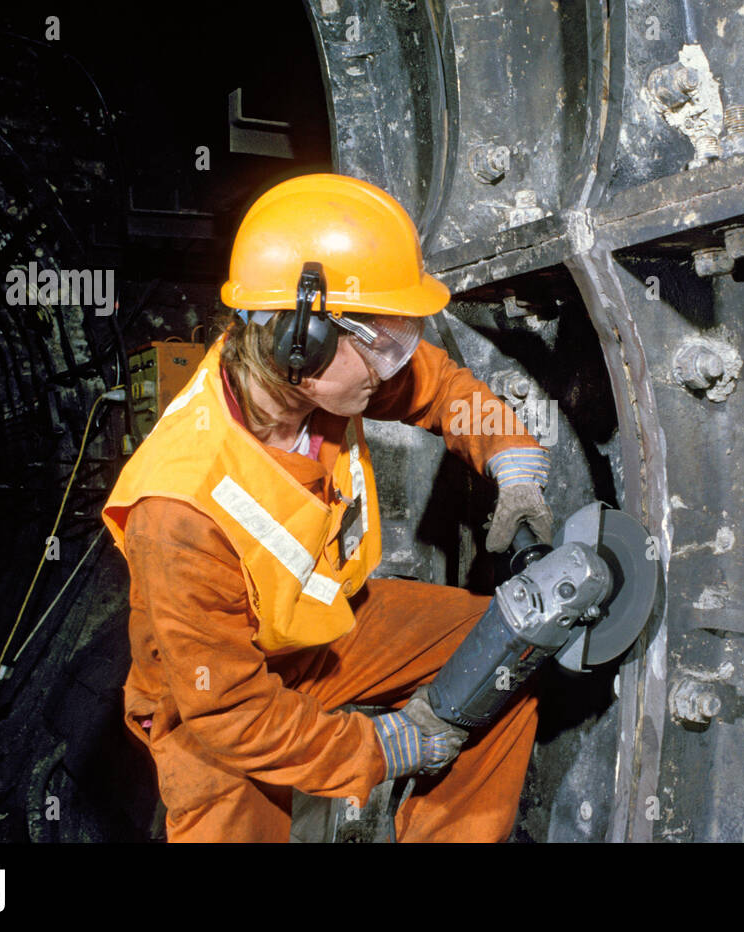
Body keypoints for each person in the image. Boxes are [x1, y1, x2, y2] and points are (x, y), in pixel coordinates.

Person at [101, 173, 555, 842]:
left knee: (501, 656)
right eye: (383, 344)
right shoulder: (178, 509)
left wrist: (511, 463)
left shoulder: (326, 387)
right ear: (302, 340)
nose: (394, 366)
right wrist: (383, 748)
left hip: (322, 634)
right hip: (213, 702)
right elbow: (231, 712)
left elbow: (439, 388)